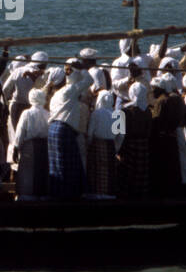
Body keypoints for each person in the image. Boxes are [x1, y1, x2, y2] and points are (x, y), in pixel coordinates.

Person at [47, 70, 89, 200]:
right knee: (70, 166)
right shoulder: (69, 91)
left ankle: (58, 195)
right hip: (66, 130)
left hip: (54, 129)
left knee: (56, 165)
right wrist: (82, 68)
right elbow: (89, 81)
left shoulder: (54, 96)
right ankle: (69, 196)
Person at [10, 88, 51, 201]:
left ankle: (27, 196)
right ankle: (43, 195)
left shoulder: (27, 113)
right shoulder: (48, 114)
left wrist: (16, 147)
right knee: (43, 171)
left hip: (30, 146)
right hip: (45, 145)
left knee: (28, 173)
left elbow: (20, 132)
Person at [148, 77, 185, 194]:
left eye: (154, 89)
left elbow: (156, 121)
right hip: (171, 139)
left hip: (162, 140)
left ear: (159, 89)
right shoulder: (172, 100)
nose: (152, 91)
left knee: (162, 166)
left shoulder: (160, 101)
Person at [116, 80, 151, 201]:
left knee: (127, 175)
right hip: (143, 146)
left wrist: (116, 150)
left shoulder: (123, 111)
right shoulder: (148, 111)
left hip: (127, 147)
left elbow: (116, 133)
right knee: (140, 175)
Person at [84, 90, 119, 200]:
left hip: (97, 143)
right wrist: (116, 148)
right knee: (109, 170)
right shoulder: (119, 114)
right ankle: (109, 192)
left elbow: (90, 133)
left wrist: (88, 145)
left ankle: (97, 192)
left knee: (97, 169)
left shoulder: (96, 113)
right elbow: (121, 135)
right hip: (111, 144)